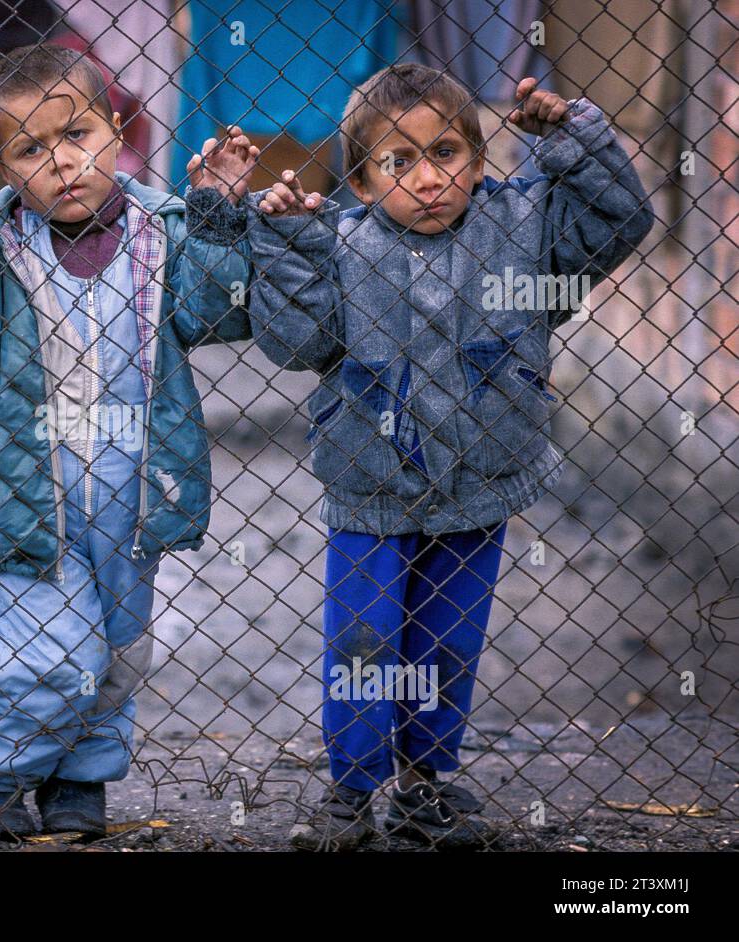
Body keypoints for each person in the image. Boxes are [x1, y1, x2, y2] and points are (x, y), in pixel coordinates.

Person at [0, 43, 300, 838]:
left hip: (134, 492)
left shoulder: (163, 231)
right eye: (31, 150)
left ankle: (78, 780)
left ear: (117, 132)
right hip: (22, 490)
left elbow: (215, 316)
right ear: (0, 167)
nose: (63, 163)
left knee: (114, 651)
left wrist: (216, 212)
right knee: (47, 648)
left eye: (77, 135)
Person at [248, 64, 653, 849]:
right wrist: (289, 245)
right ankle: (352, 789)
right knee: (365, 640)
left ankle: (425, 779)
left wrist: (573, 140)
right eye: (400, 162)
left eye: (449, 153)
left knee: (447, 637)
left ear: (479, 155)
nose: (431, 179)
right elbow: (295, 341)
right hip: (373, 480)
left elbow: (619, 225)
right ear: (361, 184)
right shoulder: (338, 242)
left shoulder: (522, 227)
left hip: (481, 474)